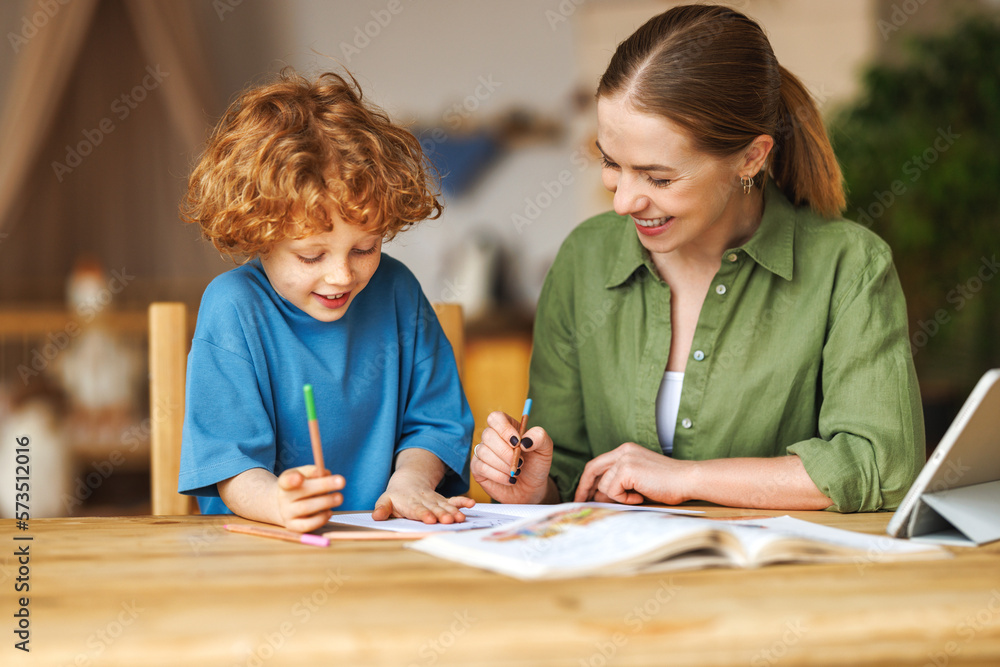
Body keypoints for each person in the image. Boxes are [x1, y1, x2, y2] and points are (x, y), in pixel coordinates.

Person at [473, 4, 923, 513]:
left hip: (777, 586)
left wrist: (685, 478)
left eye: (659, 178)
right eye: (610, 162)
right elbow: (569, 469)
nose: (623, 202)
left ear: (751, 157)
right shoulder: (585, 260)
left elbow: (880, 466)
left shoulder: (850, 267)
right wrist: (535, 486)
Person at [178, 71, 475, 532]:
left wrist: (411, 481)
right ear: (259, 235)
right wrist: (279, 503)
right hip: (262, 552)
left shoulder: (397, 290)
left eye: (365, 248)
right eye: (311, 254)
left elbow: (436, 423)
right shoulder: (233, 309)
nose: (342, 276)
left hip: (388, 547)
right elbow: (229, 464)